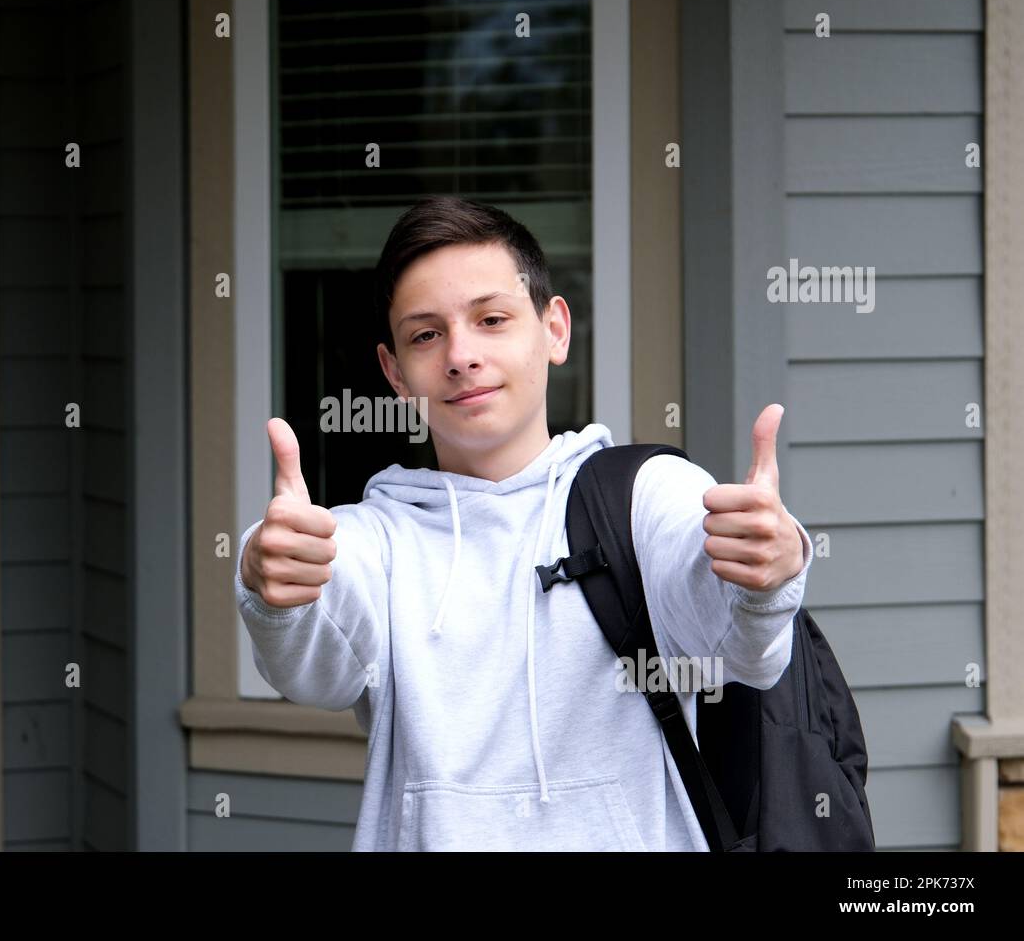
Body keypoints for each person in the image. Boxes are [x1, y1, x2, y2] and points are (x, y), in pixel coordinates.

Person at [235, 195, 812, 851]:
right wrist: (271, 579)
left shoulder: (647, 495)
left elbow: (741, 649)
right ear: (395, 372)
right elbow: (315, 670)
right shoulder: (379, 539)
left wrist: (768, 574)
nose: (460, 355)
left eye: (491, 319)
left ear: (554, 330)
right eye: (426, 334)